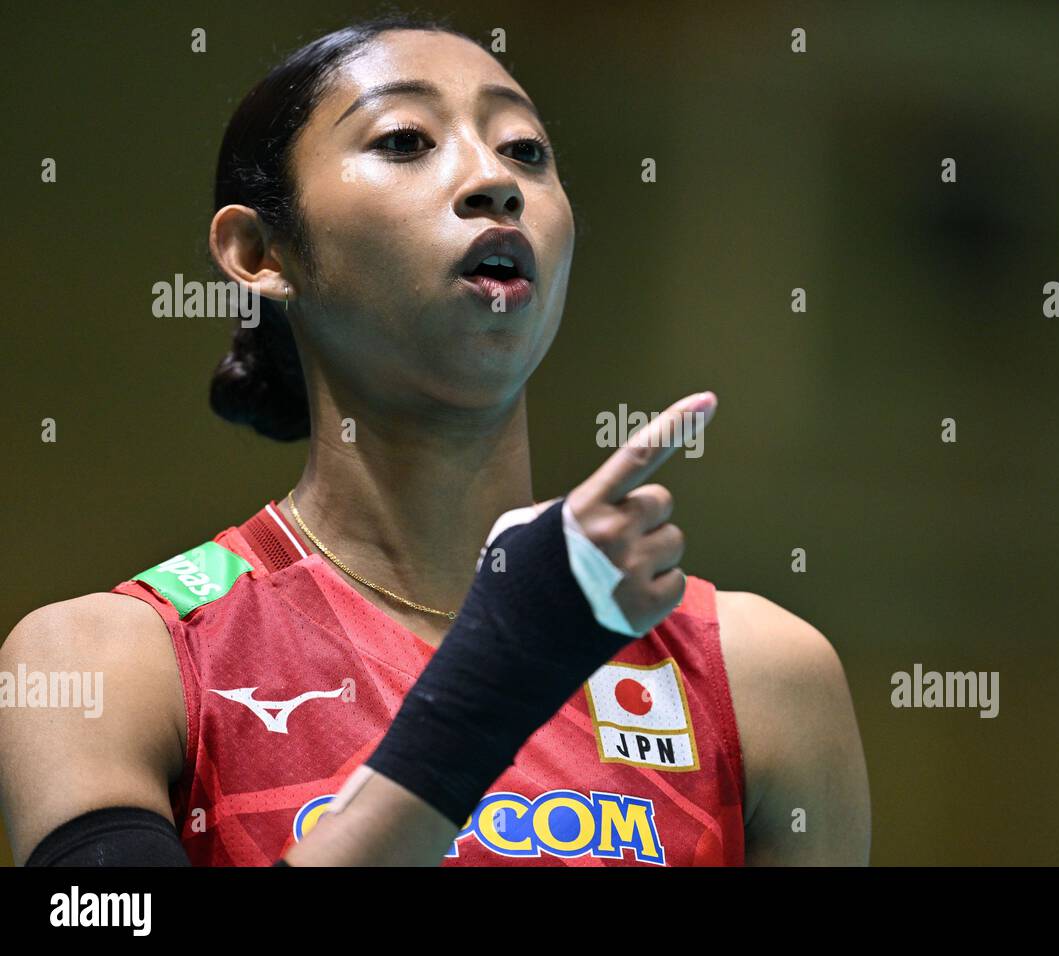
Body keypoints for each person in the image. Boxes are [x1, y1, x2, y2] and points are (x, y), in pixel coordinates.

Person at [0, 14, 869, 866]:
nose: (494, 179)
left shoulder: (757, 676)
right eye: (406, 140)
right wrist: (500, 678)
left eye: (525, 150)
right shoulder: (107, 662)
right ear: (260, 251)